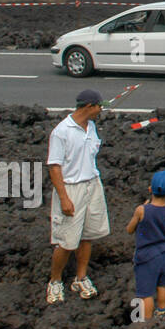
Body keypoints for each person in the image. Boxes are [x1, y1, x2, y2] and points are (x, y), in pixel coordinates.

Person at [46, 88, 110, 305]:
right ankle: (55, 281)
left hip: (92, 184)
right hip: (71, 188)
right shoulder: (61, 132)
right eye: (99, 106)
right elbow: (55, 167)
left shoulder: (91, 127)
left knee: (87, 235)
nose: (101, 110)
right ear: (88, 107)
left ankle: (80, 277)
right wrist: (64, 197)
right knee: (66, 241)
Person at [126, 169, 165, 322]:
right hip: (164, 251)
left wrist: (141, 211)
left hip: (146, 254)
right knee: (163, 284)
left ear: (149, 189)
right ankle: (162, 312)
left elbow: (129, 229)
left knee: (145, 292)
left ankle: (145, 322)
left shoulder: (142, 210)